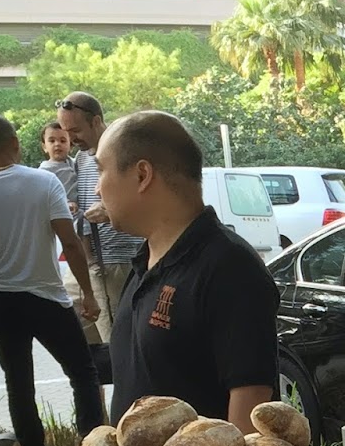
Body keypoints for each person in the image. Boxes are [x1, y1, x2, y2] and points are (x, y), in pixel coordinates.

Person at [93, 111, 278, 429]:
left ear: (142, 175)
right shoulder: (144, 260)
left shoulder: (230, 268)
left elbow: (251, 424)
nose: (97, 189)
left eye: (101, 170)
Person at [0, 115, 105, 446]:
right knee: (82, 372)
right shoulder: (44, 182)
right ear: (17, 143)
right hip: (47, 297)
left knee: (18, 383)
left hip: (1, 300)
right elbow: (70, 243)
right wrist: (88, 294)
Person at [55, 90, 142, 348]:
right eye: (65, 131)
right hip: (90, 264)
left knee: (119, 346)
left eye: (75, 130)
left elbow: (147, 199)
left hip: (118, 263)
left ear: (96, 121)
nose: (70, 138)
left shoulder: (123, 150)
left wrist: (111, 211)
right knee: (85, 348)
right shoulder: (81, 158)